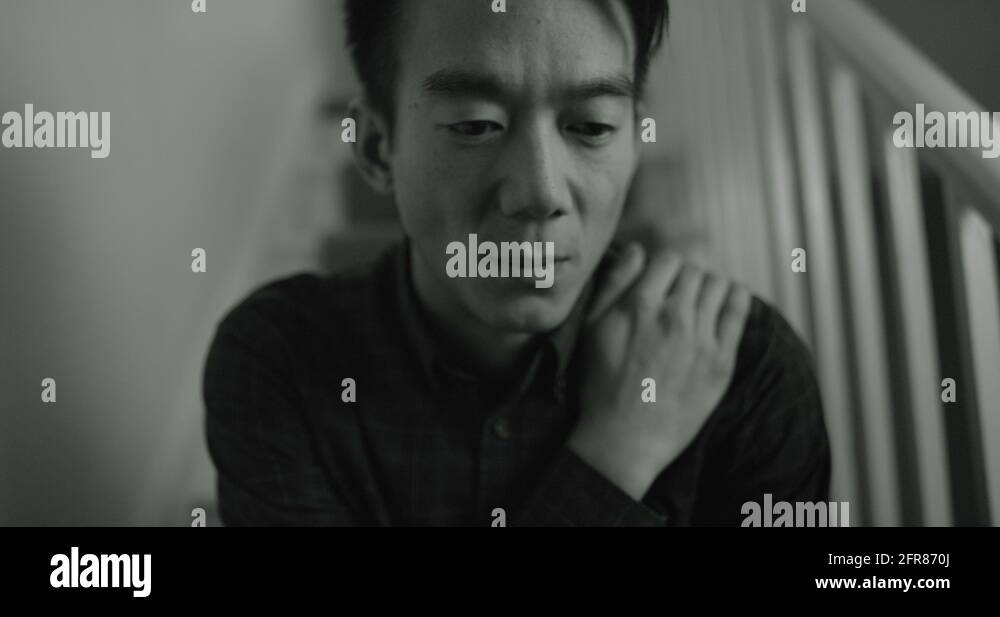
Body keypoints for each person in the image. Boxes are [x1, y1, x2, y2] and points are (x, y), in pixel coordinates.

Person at [203, 0, 830, 526]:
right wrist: (616, 455)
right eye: (475, 125)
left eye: (590, 127)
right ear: (375, 147)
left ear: (637, 141)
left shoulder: (744, 373)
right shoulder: (282, 359)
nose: (540, 192)